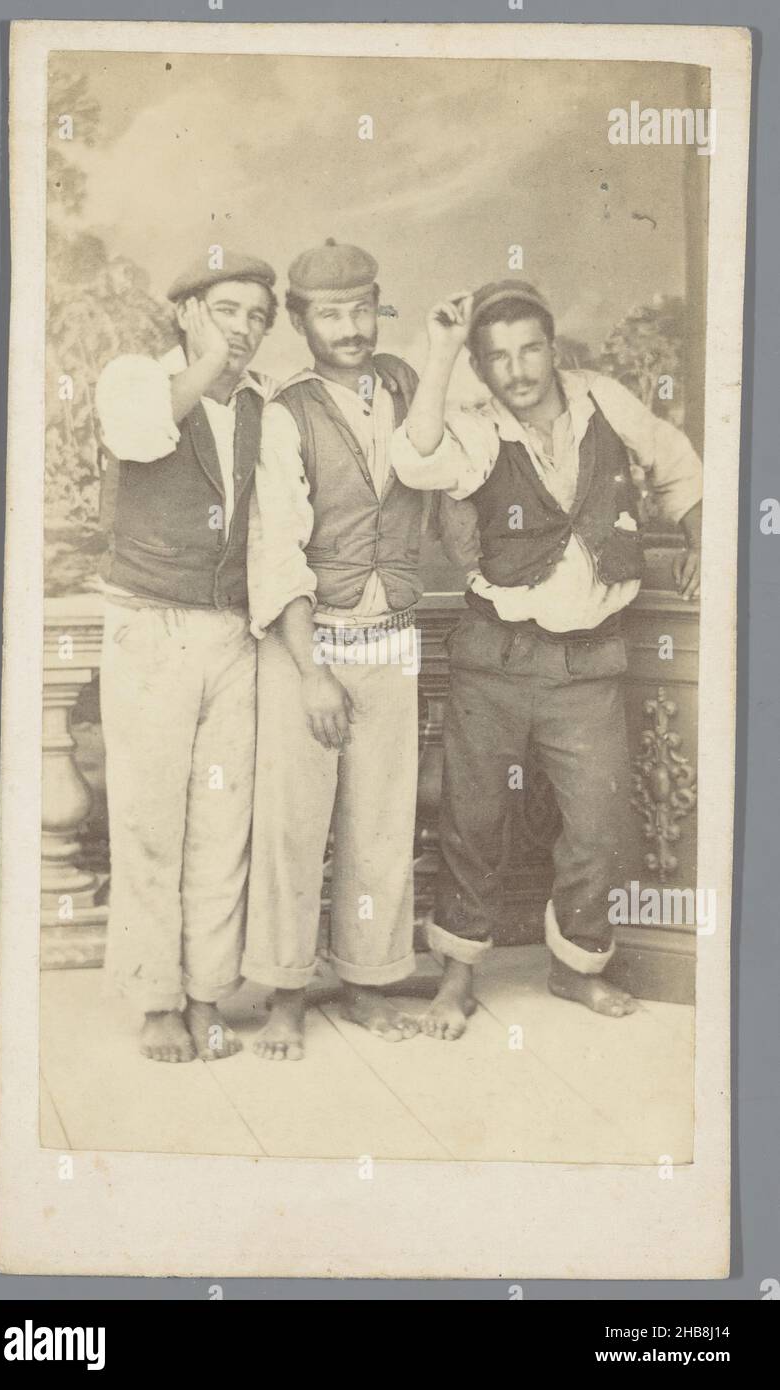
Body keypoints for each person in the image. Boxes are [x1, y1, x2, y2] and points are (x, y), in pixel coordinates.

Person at [391, 279, 702, 1037]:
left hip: (589, 663)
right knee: (473, 820)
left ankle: (576, 966)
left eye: (531, 350)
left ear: (553, 348)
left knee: (598, 823)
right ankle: (459, 974)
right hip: (495, 660)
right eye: (498, 357)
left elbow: (675, 461)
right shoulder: (474, 428)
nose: (519, 369)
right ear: (481, 367)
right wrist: (441, 352)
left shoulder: (603, 400)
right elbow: (416, 461)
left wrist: (699, 533)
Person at [94, 251, 278, 1062]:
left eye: (257, 317)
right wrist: (205, 363)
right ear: (187, 313)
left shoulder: (263, 404)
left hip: (233, 632)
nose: (243, 329)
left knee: (222, 822)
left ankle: (207, 994)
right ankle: (155, 1000)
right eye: (226, 310)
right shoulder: (137, 378)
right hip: (150, 627)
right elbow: (138, 437)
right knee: (148, 823)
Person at [241, 239, 423, 1060]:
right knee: (293, 828)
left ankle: (367, 983)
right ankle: (285, 994)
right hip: (307, 650)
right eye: (330, 313)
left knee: (380, 826)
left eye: (362, 309)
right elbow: (276, 547)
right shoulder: (287, 412)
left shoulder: (409, 390)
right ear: (299, 320)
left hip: (393, 642)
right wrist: (312, 672)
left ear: (379, 306)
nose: (350, 328)